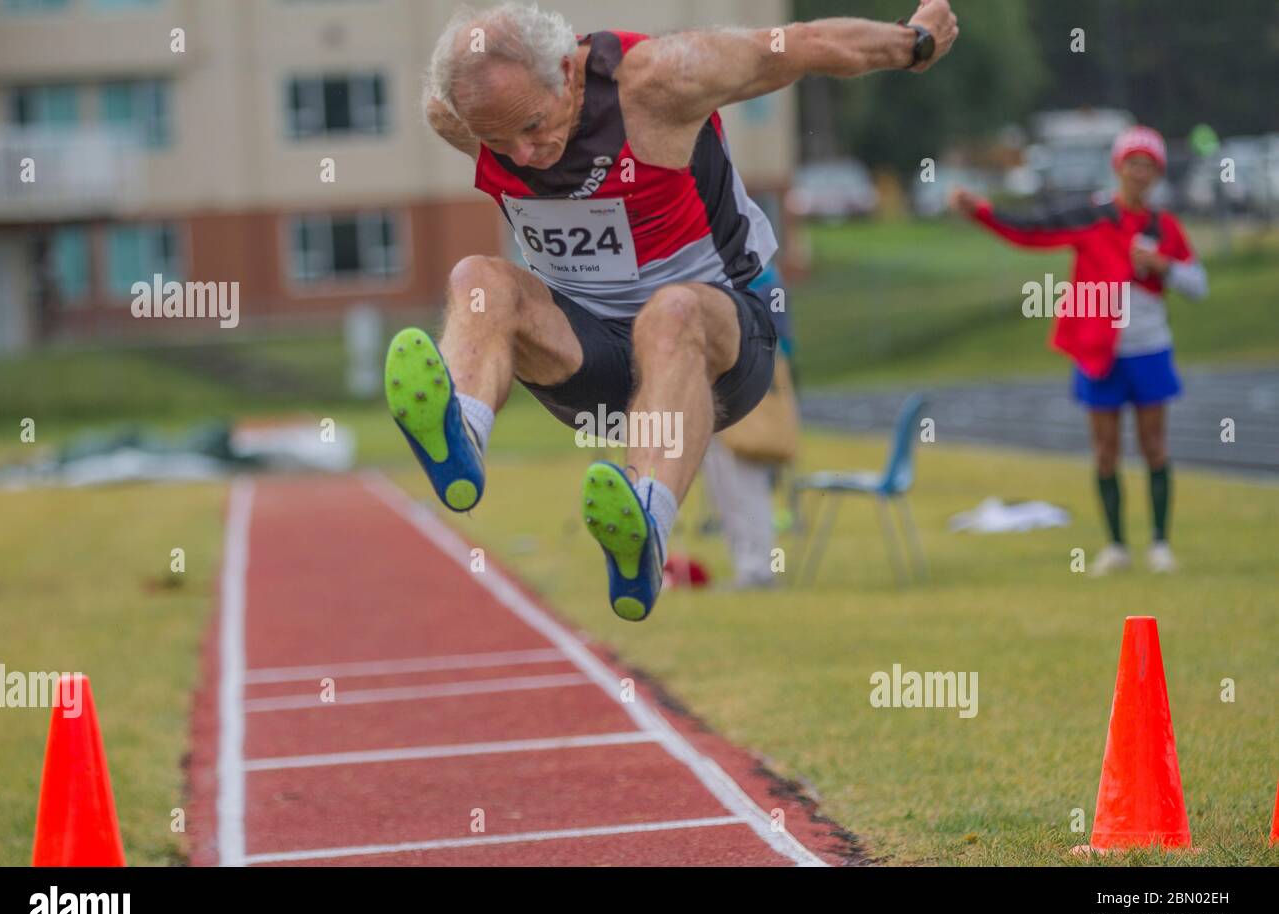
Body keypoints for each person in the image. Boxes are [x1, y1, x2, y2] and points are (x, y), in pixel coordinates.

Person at [389, 1, 958, 620]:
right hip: (590, 361)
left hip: (719, 350)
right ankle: (461, 431)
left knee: (671, 311)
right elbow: (494, 130)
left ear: (567, 72)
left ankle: (645, 526)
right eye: (496, 141)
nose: (521, 155)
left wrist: (915, 43)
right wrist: (506, 133)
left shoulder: (658, 81)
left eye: (531, 125)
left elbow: (800, 45)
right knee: (476, 278)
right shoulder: (455, 115)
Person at [951, 125, 1208, 574]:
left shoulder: (1164, 227)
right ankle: (1116, 546)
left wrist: (1163, 266)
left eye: (1149, 165)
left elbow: (1198, 285)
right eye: (1133, 163)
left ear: (1158, 173)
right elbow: (1031, 231)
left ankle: (1160, 544)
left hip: (1150, 349)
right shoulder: (1092, 216)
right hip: (1099, 351)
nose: (1140, 173)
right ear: (1119, 167)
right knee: (1105, 450)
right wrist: (983, 213)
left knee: (1154, 446)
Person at [702, 263, 798, 590]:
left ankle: (759, 569)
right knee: (722, 483)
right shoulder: (712, 270)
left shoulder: (764, 277)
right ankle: (746, 565)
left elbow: (779, 340)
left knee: (747, 481)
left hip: (747, 384)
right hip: (715, 385)